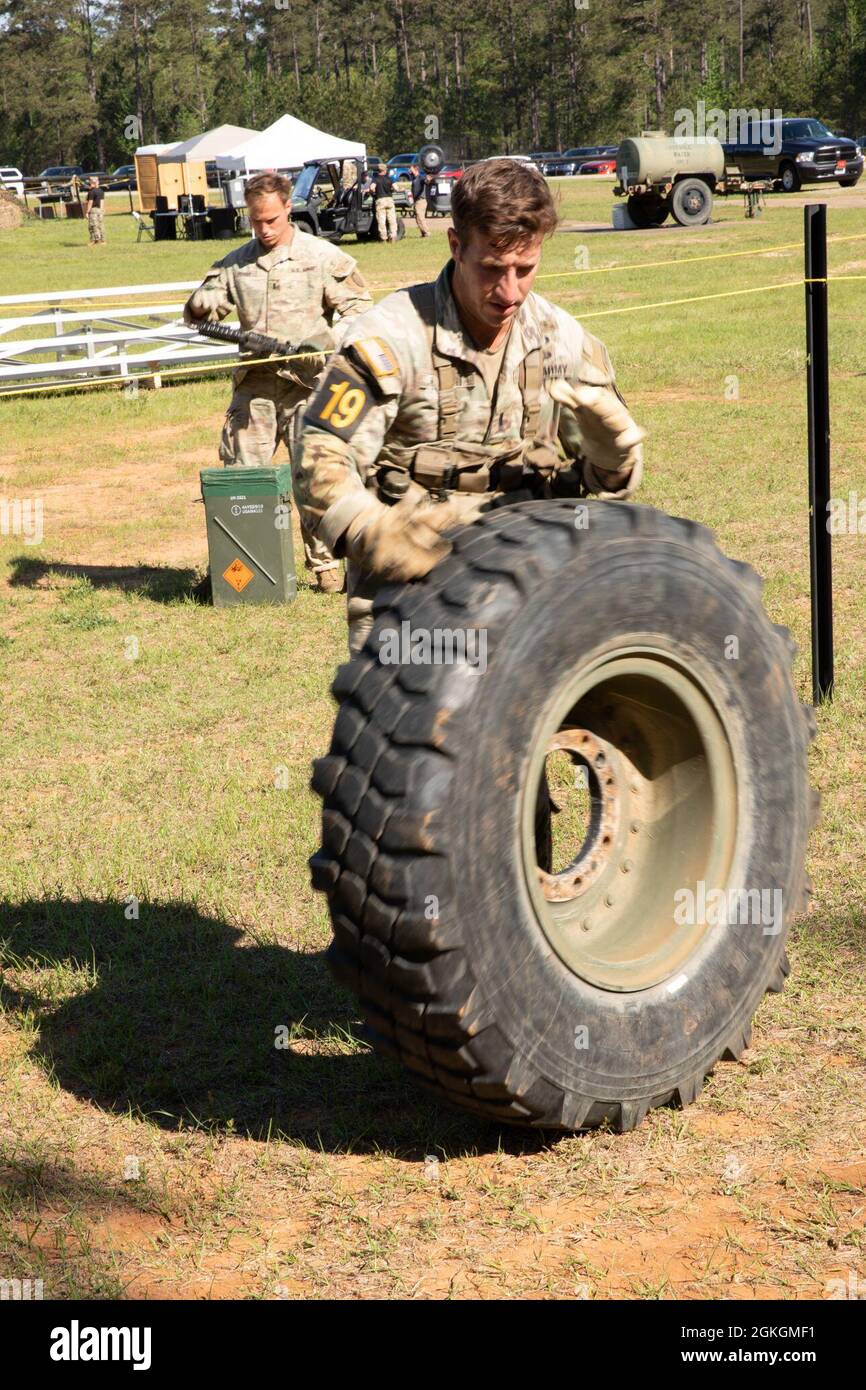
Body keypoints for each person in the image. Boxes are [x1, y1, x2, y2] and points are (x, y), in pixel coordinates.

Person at [293, 158, 645, 649]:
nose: (509, 291)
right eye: (492, 268)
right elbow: (319, 453)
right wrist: (372, 531)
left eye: (526, 269)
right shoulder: (391, 337)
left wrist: (614, 461)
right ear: (456, 245)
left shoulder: (562, 340)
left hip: (536, 591)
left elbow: (603, 482)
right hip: (409, 600)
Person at [183, 171, 373, 592]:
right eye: (256, 221)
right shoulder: (236, 263)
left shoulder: (322, 257)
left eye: (271, 219)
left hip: (310, 385)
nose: (264, 229)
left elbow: (361, 312)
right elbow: (198, 312)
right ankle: (235, 568)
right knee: (241, 476)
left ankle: (325, 568)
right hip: (256, 387)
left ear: (289, 207)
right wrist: (202, 305)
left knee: (315, 476)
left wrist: (325, 340)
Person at [367, 163, 398, 243]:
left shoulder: (375, 179)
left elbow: (372, 188)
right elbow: (396, 188)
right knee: (392, 220)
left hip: (380, 200)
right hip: (389, 200)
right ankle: (393, 237)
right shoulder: (390, 178)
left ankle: (383, 238)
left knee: (381, 220)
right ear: (385, 170)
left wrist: (373, 191)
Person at [84, 176, 105, 246]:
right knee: (100, 225)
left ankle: (95, 240)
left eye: (90, 182)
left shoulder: (91, 192)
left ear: (92, 183)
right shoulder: (101, 191)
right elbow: (102, 202)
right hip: (100, 210)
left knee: (93, 226)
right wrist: (102, 211)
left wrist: (87, 212)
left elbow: (90, 202)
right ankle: (102, 240)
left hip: (93, 210)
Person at [410, 163, 430, 237]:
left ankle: (427, 233)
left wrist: (428, 180)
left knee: (420, 217)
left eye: (411, 169)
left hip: (421, 201)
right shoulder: (414, 178)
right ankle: (423, 233)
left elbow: (426, 181)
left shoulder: (420, 177)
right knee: (417, 218)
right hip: (416, 201)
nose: (409, 170)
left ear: (415, 169)